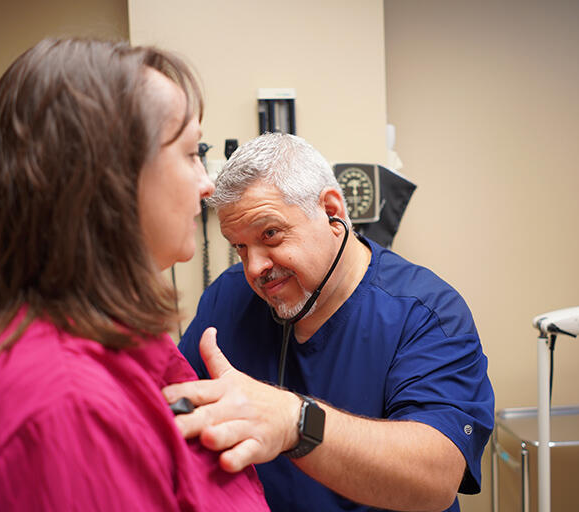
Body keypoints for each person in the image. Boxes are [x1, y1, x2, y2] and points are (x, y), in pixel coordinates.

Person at [0, 38, 269, 511]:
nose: (207, 184)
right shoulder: (68, 407)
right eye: (191, 153)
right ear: (110, 178)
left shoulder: (115, 344)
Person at [166, 133, 495, 512]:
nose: (254, 268)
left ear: (331, 210)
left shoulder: (425, 313)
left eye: (270, 234)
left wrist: (295, 422)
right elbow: (173, 415)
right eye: (240, 247)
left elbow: (438, 477)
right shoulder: (227, 298)